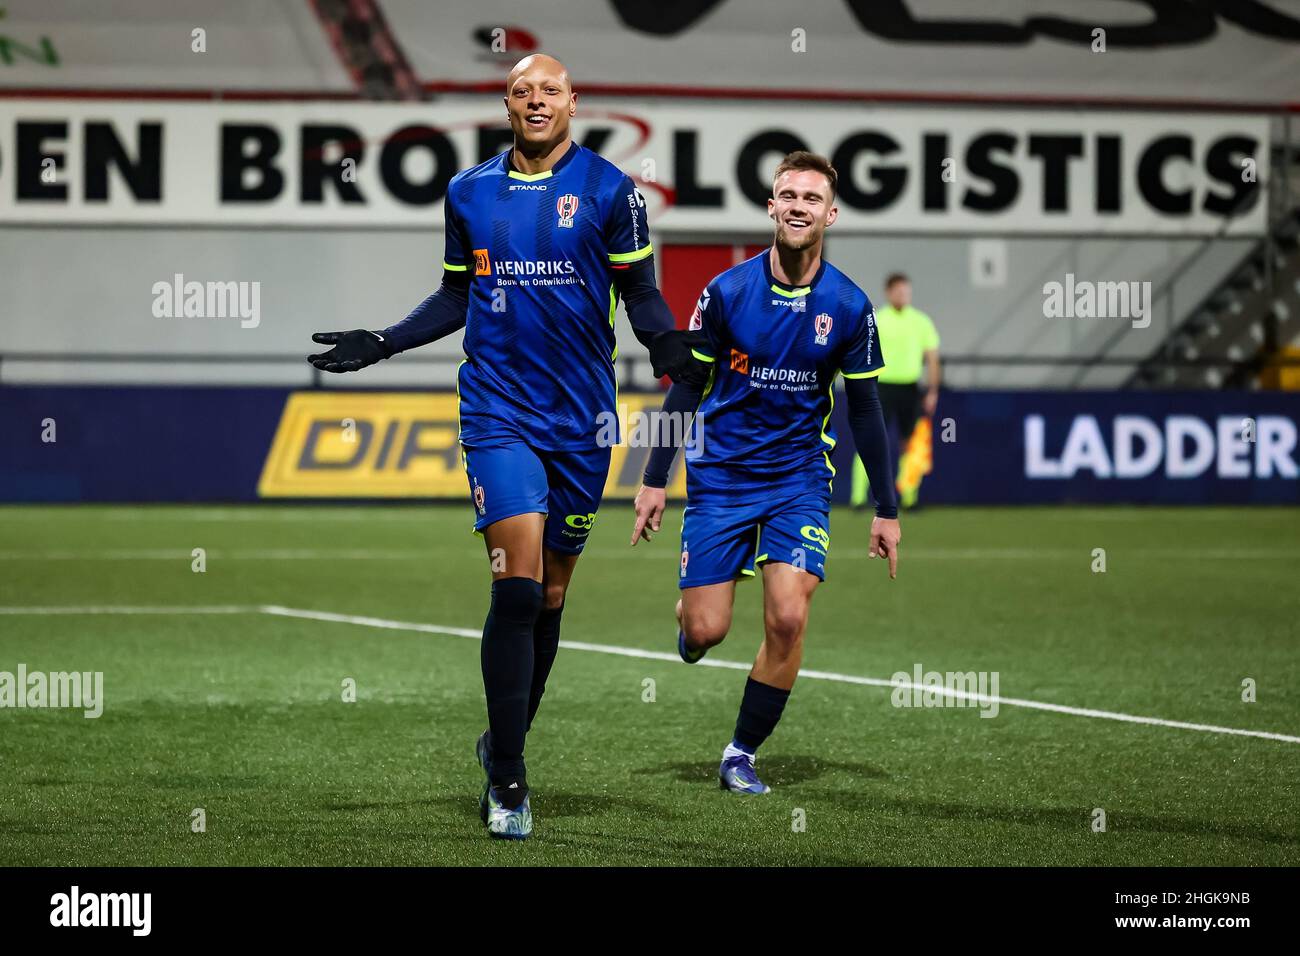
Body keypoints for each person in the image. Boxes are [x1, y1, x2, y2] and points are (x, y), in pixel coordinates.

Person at [306, 54, 708, 839]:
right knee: (518, 590)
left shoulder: (610, 192)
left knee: (553, 595)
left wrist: (664, 343)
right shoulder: (468, 191)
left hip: (583, 420)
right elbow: (460, 291)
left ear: (572, 102)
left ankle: (503, 738)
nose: (535, 101)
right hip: (497, 411)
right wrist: (385, 340)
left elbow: (640, 290)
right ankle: (512, 780)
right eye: (522, 90)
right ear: (506, 103)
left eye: (549, 90)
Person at [630, 151, 900, 795]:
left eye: (812, 197)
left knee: (787, 617)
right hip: (722, 477)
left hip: (799, 481)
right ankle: (690, 624)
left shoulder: (851, 306)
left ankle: (740, 753)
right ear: (771, 207)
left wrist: (886, 507)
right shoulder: (726, 293)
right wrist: (654, 476)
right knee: (707, 629)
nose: (799, 205)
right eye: (788, 195)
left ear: (830, 214)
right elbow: (686, 387)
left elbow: (865, 411)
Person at [850, 272, 941, 510]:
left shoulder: (921, 321)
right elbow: (862, 353)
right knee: (871, 440)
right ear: (889, 292)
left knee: (910, 444)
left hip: (910, 389)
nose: (903, 296)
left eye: (906, 291)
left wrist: (932, 391)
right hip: (882, 388)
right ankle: (858, 497)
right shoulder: (877, 319)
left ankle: (909, 497)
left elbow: (932, 358)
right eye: (899, 291)